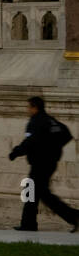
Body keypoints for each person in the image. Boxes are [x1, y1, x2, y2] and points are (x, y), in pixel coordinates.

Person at [9, 96, 78, 232]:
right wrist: (53, 149)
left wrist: (15, 152)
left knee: (33, 192)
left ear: (35, 107)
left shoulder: (36, 122)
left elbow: (30, 141)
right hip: (50, 163)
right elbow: (66, 134)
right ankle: (29, 224)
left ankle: (74, 216)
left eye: (29, 107)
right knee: (41, 194)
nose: (28, 110)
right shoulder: (50, 120)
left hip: (40, 164)